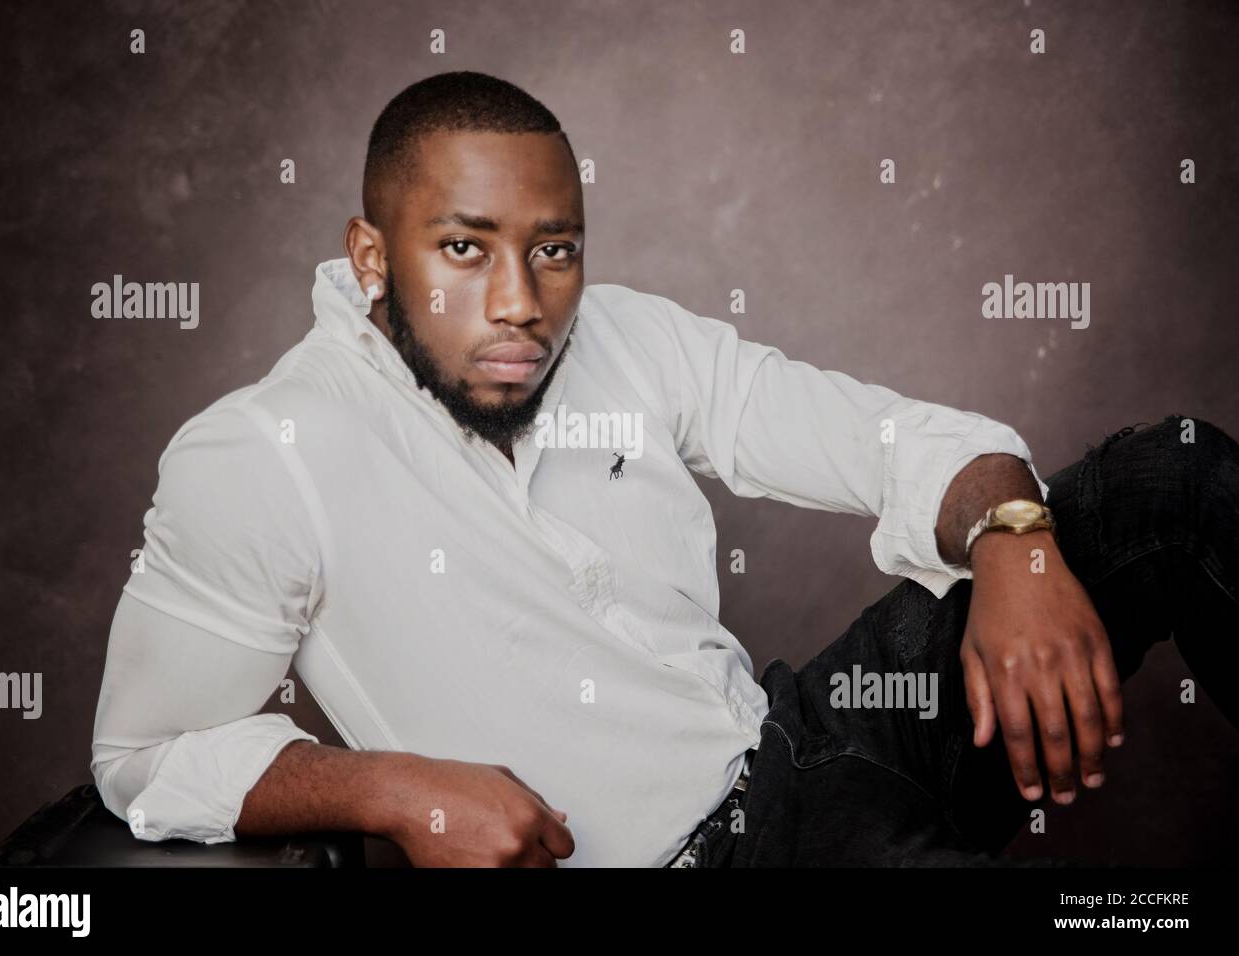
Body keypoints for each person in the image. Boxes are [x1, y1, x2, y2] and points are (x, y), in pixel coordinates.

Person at [90, 70, 1239, 867]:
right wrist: (391, 787)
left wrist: (1013, 535)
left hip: (811, 734)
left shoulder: (626, 336)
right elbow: (143, 757)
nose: (519, 304)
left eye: (553, 251)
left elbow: (886, 438)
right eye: (462, 248)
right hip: (724, 861)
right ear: (369, 255)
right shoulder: (262, 454)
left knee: (1168, 480)